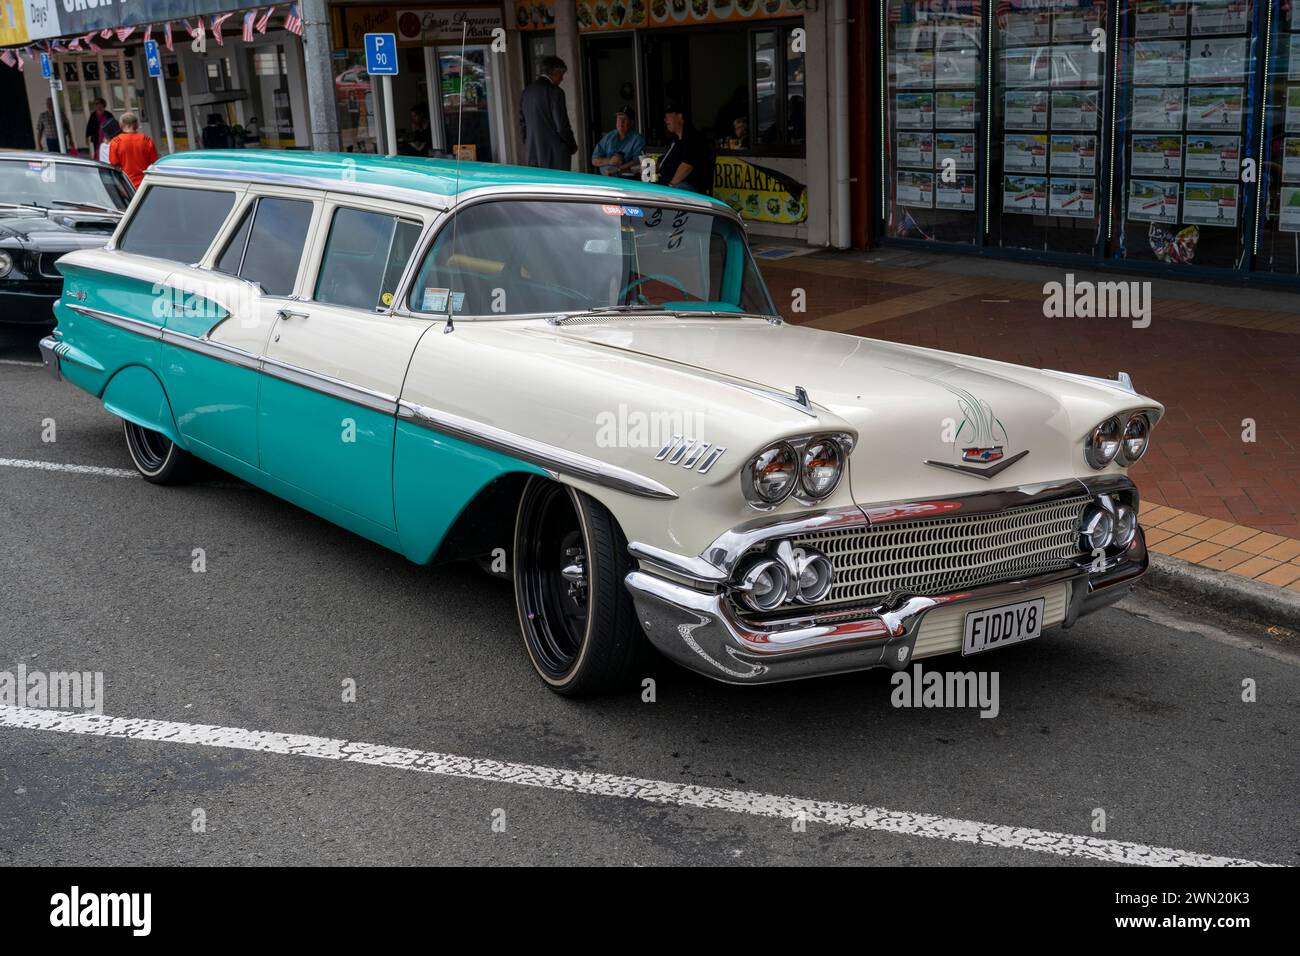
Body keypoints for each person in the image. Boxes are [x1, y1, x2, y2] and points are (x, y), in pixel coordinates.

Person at [518, 55, 577, 170]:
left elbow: (522, 123)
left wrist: (529, 143)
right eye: (562, 74)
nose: (562, 79)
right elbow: (561, 126)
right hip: (556, 155)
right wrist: (572, 145)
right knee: (558, 186)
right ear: (555, 72)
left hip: (533, 153)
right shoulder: (556, 92)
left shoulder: (527, 91)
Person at [657, 101, 713, 193]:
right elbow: (663, 161)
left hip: (687, 187)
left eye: (669, 115)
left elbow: (686, 166)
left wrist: (670, 187)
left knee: (678, 188)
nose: (665, 119)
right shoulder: (676, 140)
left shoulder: (693, 137)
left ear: (680, 116)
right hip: (668, 183)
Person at [107, 112, 158, 188]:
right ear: (136, 125)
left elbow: (114, 165)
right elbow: (155, 163)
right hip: (146, 183)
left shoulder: (115, 142)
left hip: (127, 185)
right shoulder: (146, 140)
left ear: (121, 125)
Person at [590, 105, 644, 177]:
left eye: (624, 119)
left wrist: (618, 169)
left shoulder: (637, 139)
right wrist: (610, 161)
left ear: (631, 122)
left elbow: (638, 161)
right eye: (619, 118)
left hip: (626, 180)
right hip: (605, 179)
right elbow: (594, 160)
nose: (621, 122)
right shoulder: (608, 137)